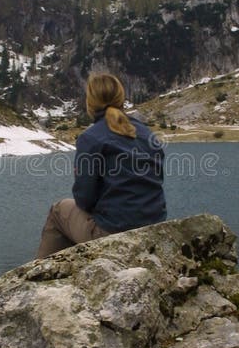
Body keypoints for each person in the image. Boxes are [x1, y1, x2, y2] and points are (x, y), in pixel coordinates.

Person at [36, 73, 166, 258]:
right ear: (121, 98)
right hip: (154, 229)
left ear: (90, 102)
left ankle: (42, 275)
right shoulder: (148, 134)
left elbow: (84, 198)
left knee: (59, 210)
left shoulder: (91, 138)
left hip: (113, 233)